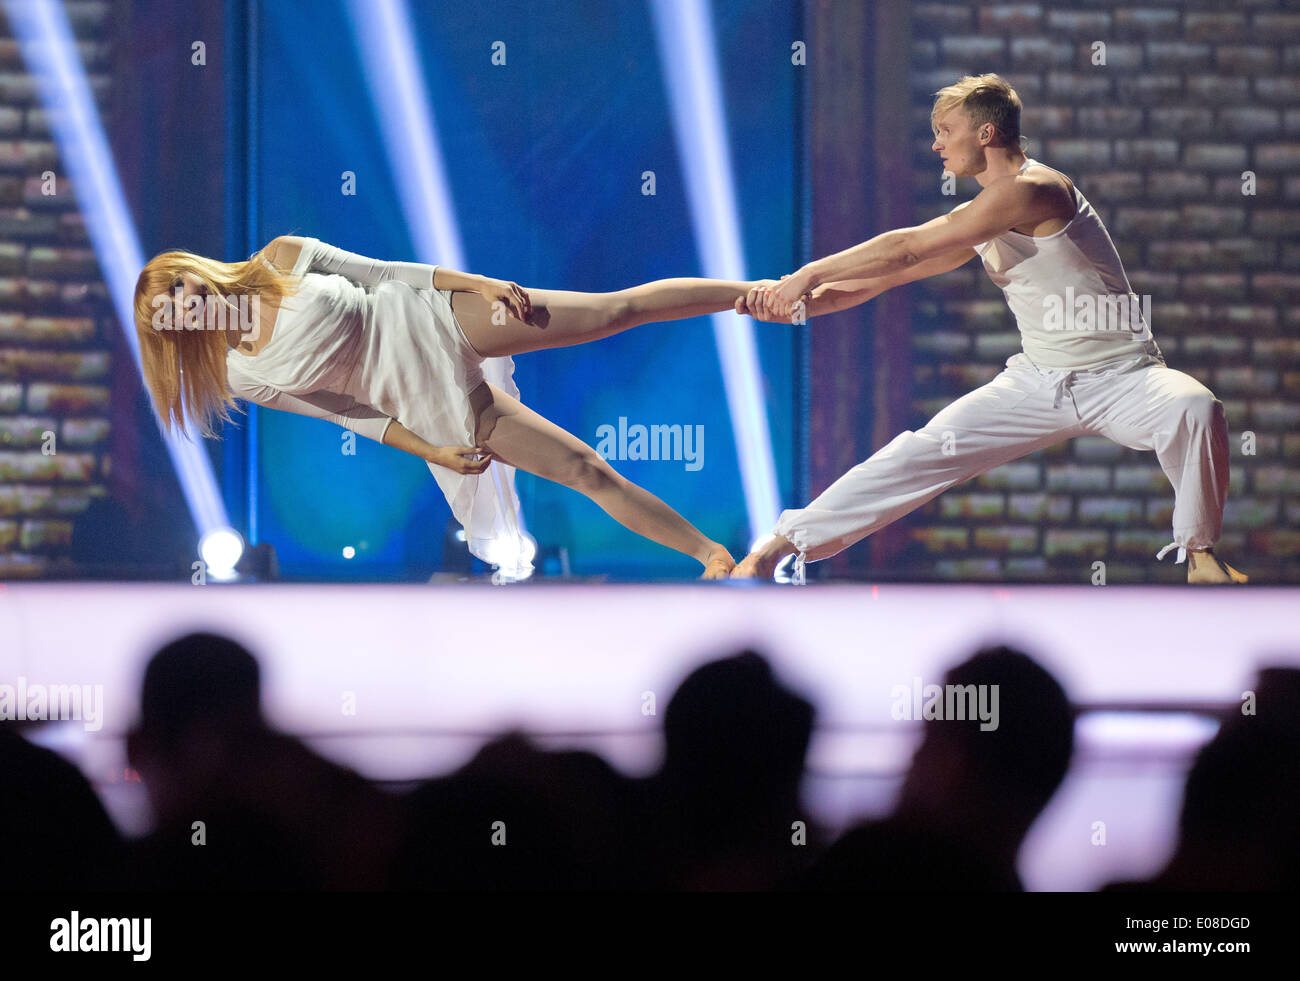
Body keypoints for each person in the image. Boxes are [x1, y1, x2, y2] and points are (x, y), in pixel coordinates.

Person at [734, 73, 1246, 585]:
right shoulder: (980, 216)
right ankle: (781, 547)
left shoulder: (1035, 189)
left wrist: (805, 275)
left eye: (944, 130)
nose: (935, 144)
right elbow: (888, 275)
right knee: (922, 451)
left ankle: (1200, 555)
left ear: (984, 134)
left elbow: (907, 245)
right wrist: (795, 306)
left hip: (1123, 377)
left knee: (1193, 406)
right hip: (1038, 382)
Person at [134, 236, 756, 578]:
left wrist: (479, 285)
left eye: (180, 286)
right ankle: (710, 554)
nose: (187, 303)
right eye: (173, 311)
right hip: (422, 399)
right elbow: (348, 413)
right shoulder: (240, 374)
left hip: (435, 321)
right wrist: (430, 450)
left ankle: (757, 295)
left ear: (193, 270)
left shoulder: (282, 259)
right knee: (584, 470)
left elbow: (389, 273)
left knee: (611, 311)